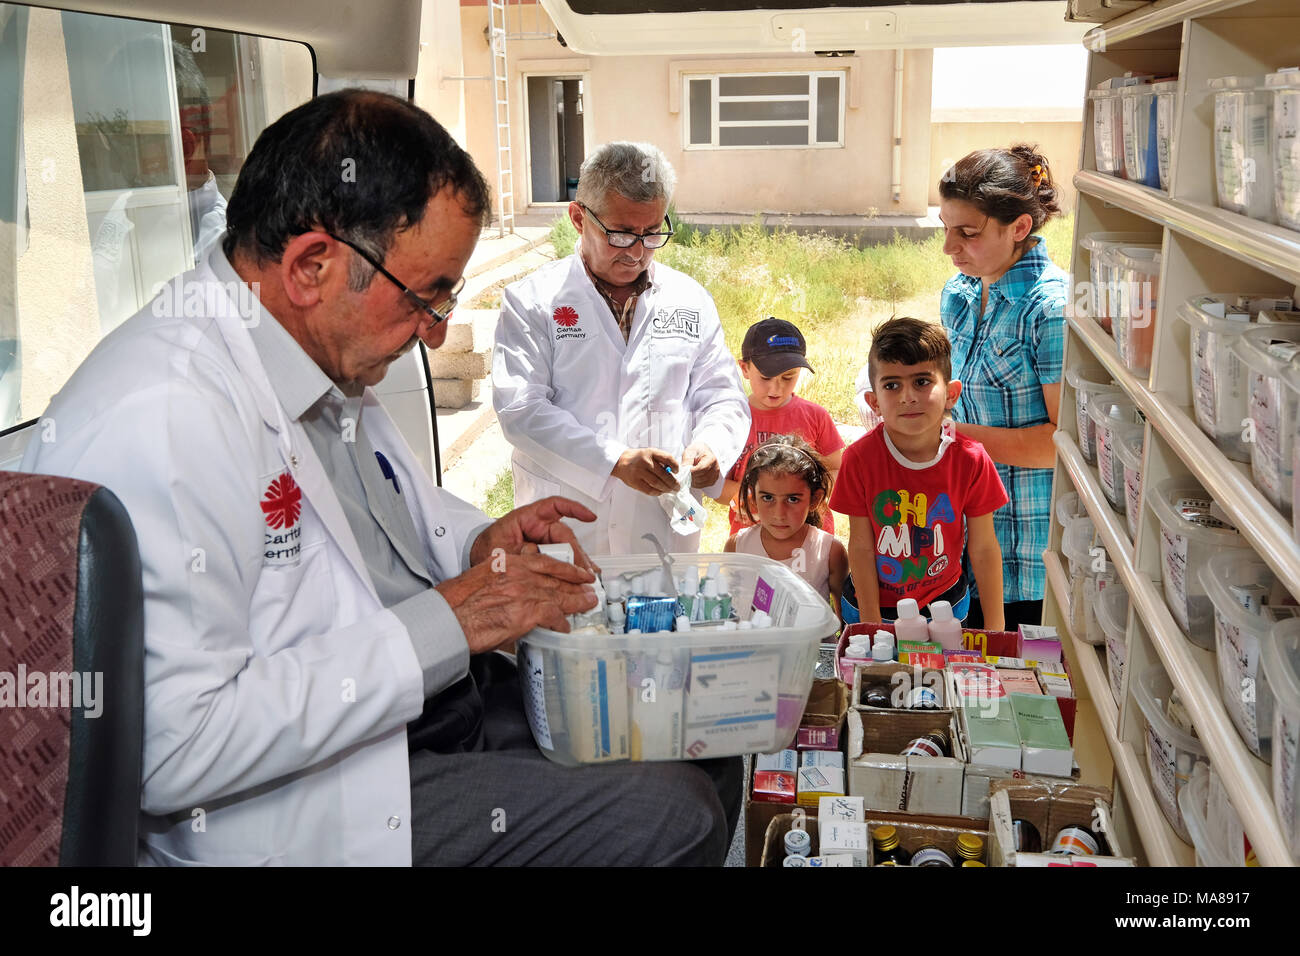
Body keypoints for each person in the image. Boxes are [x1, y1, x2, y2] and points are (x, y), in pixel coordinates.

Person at [21, 91, 741, 866]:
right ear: (311, 266)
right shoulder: (161, 420)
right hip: (314, 798)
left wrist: (475, 541)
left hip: (418, 708)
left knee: (701, 724)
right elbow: (171, 750)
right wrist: (449, 622)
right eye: (425, 295)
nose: (434, 330)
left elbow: (391, 509)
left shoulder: (309, 357)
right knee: (677, 811)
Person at [492, 141, 750, 556]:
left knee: (665, 618)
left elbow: (722, 395)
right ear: (579, 218)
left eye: (652, 234)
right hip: (567, 523)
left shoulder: (690, 299)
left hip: (663, 527)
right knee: (572, 616)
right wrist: (614, 461)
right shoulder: (533, 301)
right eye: (621, 233)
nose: (637, 252)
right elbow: (521, 412)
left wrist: (712, 445)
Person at [937, 145, 1068, 631]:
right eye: (946, 229)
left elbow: (1061, 444)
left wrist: (954, 438)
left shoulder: (1049, 310)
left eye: (967, 233)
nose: (950, 247)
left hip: (1025, 555)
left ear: (1019, 228)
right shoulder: (960, 292)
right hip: (964, 543)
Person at [829, 317, 1008, 631]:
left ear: (951, 393)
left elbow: (983, 547)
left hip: (945, 606)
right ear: (874, 402)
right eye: (892, 385)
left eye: (922, 381)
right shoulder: (858, 459)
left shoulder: (971, 458)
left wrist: (995, 627)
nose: (907, 396)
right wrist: (871, 622)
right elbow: (860, 545)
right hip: (872, 607)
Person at [720, 317, 844, 537]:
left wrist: (815, 496)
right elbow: (715, 483)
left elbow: (836, 467)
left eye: (789, 377)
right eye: (766, 377)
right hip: (752, 539)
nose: (776, 387)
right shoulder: (731, 418)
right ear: (744, 368)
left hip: (810, 539)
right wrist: (743, 496)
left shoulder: (815, 416)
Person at [724, 435, 848, 620]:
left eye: (792, 499)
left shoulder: (830, 552)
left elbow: (845, 621)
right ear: (753, 497)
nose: (779, 513)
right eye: (768, 498)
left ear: (814, 500)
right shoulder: (737, 547)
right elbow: (728, 610)